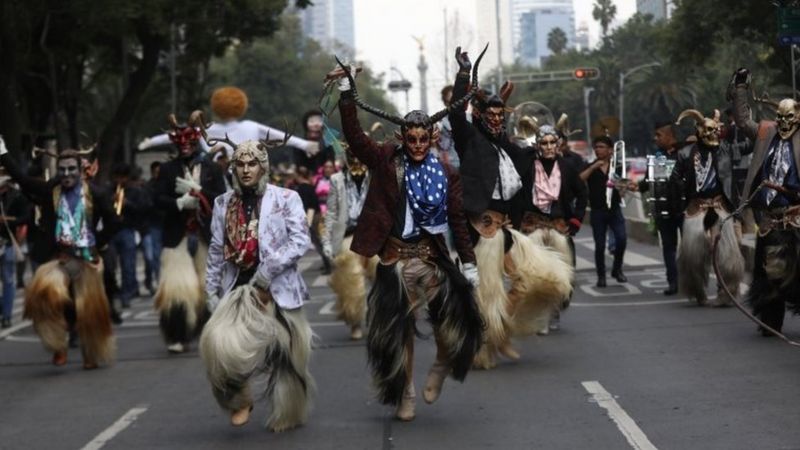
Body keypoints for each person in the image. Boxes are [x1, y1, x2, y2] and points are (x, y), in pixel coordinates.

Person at [331, 57, 483, 422]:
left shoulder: (446, 172)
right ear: (402, 137)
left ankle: (442, 365)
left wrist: (469, 263)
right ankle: (406, 394)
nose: (417, 144)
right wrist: (346, 92)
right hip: (394, 261)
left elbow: (458, 221)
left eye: (423, 139)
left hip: (432, 259)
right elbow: (355, 137)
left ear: (432, 138)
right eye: (411, 139)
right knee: (400, 336)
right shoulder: (385, 161)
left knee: (451, 325)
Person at [449, 46, 572, 369]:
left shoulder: (505, 145)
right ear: (479, 117)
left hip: (507, 230)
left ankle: (500, 332)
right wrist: (464, 75)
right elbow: (455, 115)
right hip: (483, 231)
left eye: (500, 116)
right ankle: (483, 348)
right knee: (485, 297)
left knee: (535, 280)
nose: (495, 120)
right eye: (490, 116)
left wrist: (499, 101)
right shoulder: (470, 140)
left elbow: (532, 159)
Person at [201, 138, 314, 432]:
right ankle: (238, 399)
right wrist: (210, 290)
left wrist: (268, 270)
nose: (246, 170)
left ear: (263, 166)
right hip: (236, 288)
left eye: (252, 163)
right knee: (219, 347)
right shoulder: (222, 203)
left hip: (278, 288)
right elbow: (216, 249)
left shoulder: (286, 198)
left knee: (285, 357)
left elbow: (300, 240)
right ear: (233, 168)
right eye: (240, 164)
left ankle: (287, 411)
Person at [0, 138, 116, 369]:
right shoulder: (51, 190)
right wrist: (2, 150)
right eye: (62, 169)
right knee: (43, 295)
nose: (66, 174)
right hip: (59, 258)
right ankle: (57, 345)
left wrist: (97, 243)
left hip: (87, 258)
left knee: (89, 310)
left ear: (81, 170)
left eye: (71, 169)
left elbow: (114, 222)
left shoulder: (97, 193)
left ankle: (91, 354)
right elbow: (22, 180)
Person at [729, 68, 800, 334]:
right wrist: (740, 88)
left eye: (789, 117)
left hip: (796, 214)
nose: (784, 122)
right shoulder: (766, 133)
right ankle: (770, 321)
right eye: (780, 117)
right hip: (770, 218)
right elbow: (743, 120)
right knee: (770, 274)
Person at [153, 112, 226, 353]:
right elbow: (156, 199)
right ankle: (177, 335)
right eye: (180, 143)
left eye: (189, 142)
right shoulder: (167, 169)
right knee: (177, 290)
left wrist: (201, 193)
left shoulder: (212, 169)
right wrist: (178, 203)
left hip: (205, 235)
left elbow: (223, 199)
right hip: (178, 237)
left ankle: (210, 333)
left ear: (197, 141)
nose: (185, 146)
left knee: (208, 288)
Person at [670, 108, 744, 306]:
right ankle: (697, 292)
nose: (714, 134)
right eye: (709, 130)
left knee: (729, 258)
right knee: (691, 258)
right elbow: (675, 178)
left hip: (720, 206)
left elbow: (748, 145)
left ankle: (727, 293)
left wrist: (745, 122)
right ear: (699, 132)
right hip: (697, 207)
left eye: (716, 130)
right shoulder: (685, 153)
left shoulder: (725, 149)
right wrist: (681, 203)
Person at [517, 125, 586, 333]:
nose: (548, 147)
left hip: (558, 227)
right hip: (533, 226)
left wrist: (576, 221)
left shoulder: (567, 168)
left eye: (552, 142)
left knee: (560, 275)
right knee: (535, 275)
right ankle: (539, 315)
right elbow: (516, 188)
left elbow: (582, 194)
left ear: (558, 144)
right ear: (538, 145)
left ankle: (554, 311)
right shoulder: (528, 166)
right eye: (544, 143)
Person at [138, 87, 318, 161]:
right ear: (242, 105)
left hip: (216, 174)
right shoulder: (251, 126)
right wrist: (305, 145)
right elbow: (281, 136)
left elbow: (175, 135)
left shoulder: (206, 129)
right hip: (247, 171)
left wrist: (149, 142)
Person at [322, 146, 376, 340]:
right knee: (352, 281)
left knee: (386, 277)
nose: (356, 160)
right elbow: (331, 213)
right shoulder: (337, 180)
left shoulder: (375, 176)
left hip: (374, 235)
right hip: (348, 236)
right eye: (352, 156)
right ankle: (355, 321)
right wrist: (326, 241)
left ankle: (382, 319)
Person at [634, 121, 686, 295]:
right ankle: (673, 282)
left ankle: (691, 280)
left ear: (670, 136)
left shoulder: (685, 154)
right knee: (668, 248)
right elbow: (649, 182)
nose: (655, 138)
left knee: (689, 248)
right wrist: (633, 186)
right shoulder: (657, 157)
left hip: (684, 210)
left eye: (659, 135)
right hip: (664, 211)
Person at [580, 135, 628, 287]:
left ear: (610, 150)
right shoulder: (590, 166)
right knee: (599, 245)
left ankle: (617, 269)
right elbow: (579, 179)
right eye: (596, 147)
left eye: (601, 147)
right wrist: (593, 168)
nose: (598, 150)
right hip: (598, 211)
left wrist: (622, 188)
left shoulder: (617, 167)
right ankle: (601, 275)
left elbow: (623, 185)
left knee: (621, 239)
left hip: (614, 209)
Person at [0, 174, 27, 328]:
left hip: (8, 242)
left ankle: (7, 315)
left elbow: (25, 217)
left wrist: (9, 220)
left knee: (8, 280)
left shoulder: (17, 197)